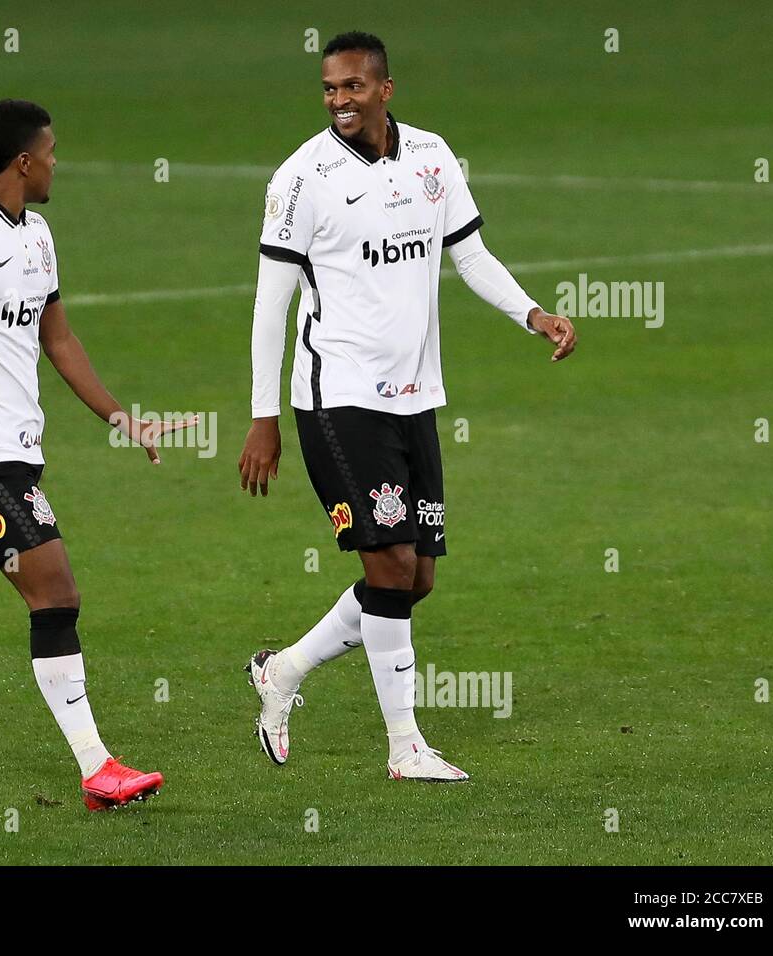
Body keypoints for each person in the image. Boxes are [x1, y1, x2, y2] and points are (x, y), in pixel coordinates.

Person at [238, 33, 576, 781]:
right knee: (389, 566)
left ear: (386, 89)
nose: (339, 101)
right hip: (338, 400)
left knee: (415, 579)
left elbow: (471, 255)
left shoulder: (431, 157)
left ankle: (283, 669)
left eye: (353, 87)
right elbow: (271, 302)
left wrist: (533, 314)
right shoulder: (302, 179)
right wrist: (265, 417)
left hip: (414, 400)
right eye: (329, 89)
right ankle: (405, 748)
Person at [0, 99, 190, 810]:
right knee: (56, 593)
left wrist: (123, 419)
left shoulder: (38, 234)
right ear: (23, 160)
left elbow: (60, 340)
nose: (56, 162)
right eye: (50, 151)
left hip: (15, 451)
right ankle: (97, 768)